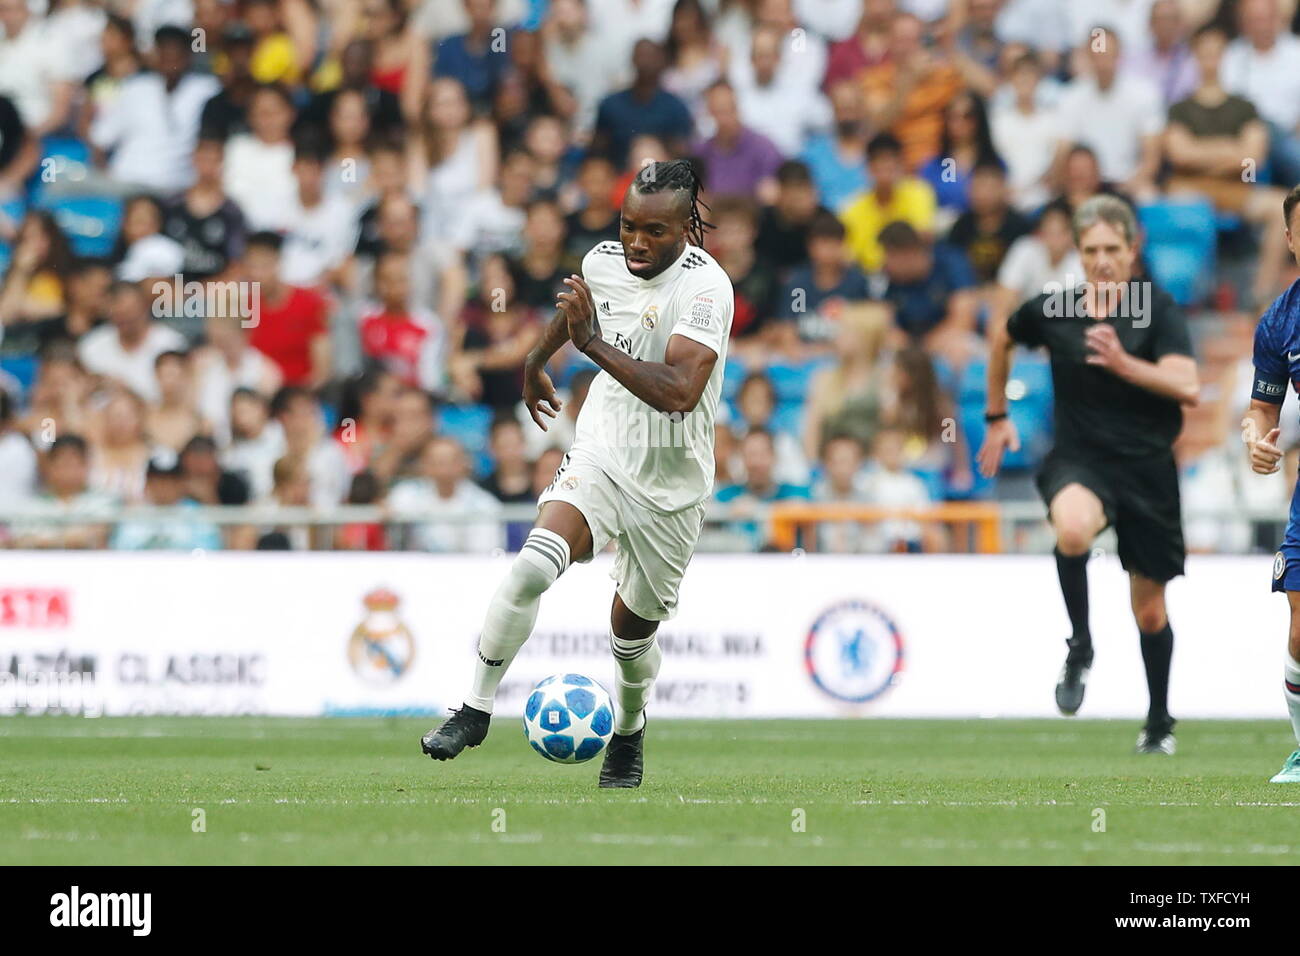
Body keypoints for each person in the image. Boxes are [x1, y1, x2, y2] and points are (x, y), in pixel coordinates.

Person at [420, 160, 734, 790]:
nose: (637, 243)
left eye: (655, 231)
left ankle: (629, 729)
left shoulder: (707, 290)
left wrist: (589, 347)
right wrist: (537, 358)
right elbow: (578, 313)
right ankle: (475, 708)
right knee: (533, 564)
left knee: (630, 632)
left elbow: (677, 391)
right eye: (627, 227)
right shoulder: (603, 261)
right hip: (603, 449)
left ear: (686, 231)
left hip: (672, 485)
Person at [978, 194, 1200, 755]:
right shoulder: (1056, 309)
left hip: (1147, 468)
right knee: (1072, 529)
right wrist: (997, 417)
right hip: (1081, 459)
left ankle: (1158, 724)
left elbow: (1188, 385)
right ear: (1077, 253)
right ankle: (1080, 645)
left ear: (1133, 250)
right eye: (1091, 249)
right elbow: (1002, 336)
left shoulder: (1157, 309)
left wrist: (1127, 365)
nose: (1102, 260)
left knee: (1149, 611)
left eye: (1112, 249)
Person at [1240, 185, 1300, 782]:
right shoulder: (1279, 321)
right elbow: (1263, 408)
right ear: (1290, 239)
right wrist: (1255, 439)